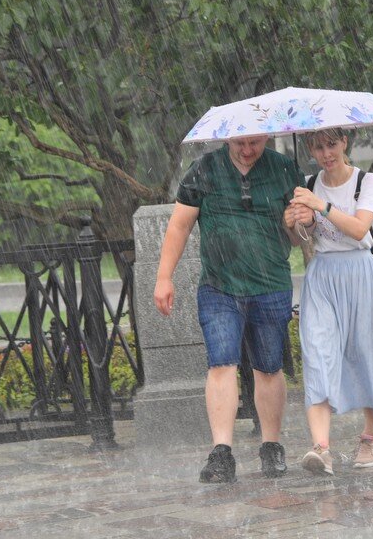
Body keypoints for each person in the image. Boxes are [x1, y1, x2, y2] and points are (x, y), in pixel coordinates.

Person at [153, 134, 313, 483]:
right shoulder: (204, 170)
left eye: (254, 142)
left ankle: (271, 446)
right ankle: (221, 452)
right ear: (228, 138)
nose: (247, 149)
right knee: (221, 362)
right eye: (240, 143)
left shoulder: (286, 169)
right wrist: (165, 276)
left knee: (269, 366)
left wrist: (301, 221)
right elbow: (179, 225)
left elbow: (302, 238)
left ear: (267, 138)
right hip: (219, 286)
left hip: (270, 283)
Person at [283, 128, 373, 476]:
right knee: (318, 353)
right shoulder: (307, 184)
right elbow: (298, 240)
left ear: (344, 143)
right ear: (310, 148)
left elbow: (358, 229)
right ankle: (321, 448)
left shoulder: (367, 182)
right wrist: (295, 221)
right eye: (318, 146)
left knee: (369, 354)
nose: (326, 153)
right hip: (322, 277)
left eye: (332, 145)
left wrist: (320, 205)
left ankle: (371, 439)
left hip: (362, 275)